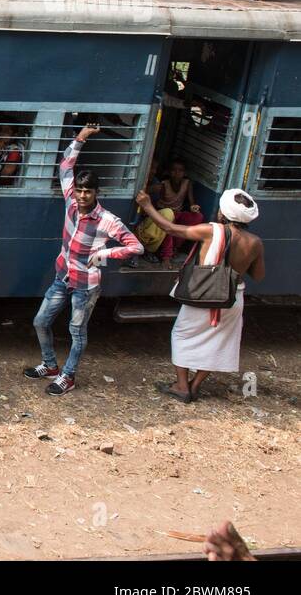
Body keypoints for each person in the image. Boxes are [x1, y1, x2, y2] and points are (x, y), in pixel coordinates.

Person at [25, 124, 142, 395]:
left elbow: (135, 247)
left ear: (96, 192)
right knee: (41, 321)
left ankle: (68, 376)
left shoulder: (108, 221)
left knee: (77, 331)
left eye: (87, 191)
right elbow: (65, 166)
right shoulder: (71, 203)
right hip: (63, 277)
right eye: (79, 189)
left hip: (86, 285)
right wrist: (80, 138)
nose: (81, 195)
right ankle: (50, 365)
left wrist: (104, 254)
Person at [135, 187, 265, 403]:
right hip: (233, 297)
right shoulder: (255, 243)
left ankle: (181, 385)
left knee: (182, 335)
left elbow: (170, 228)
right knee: (218, 342)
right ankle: (195, 385)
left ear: (223, 213)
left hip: (204, 295)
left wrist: (147, 205)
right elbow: (258, 275)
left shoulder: (211, 231)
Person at [152, 157, 203, 262]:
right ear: (169, 172)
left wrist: (194, 207)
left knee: (198, 217)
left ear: (184, 173)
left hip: (178, 213)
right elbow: (157, 202)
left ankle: (175, 247)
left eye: (180, 171)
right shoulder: (164, 184)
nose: (177, 173)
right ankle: (166, 255)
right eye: (174, 170)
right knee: (170, 221)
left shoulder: (187, 183)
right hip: (165, 214)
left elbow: (191, 202)